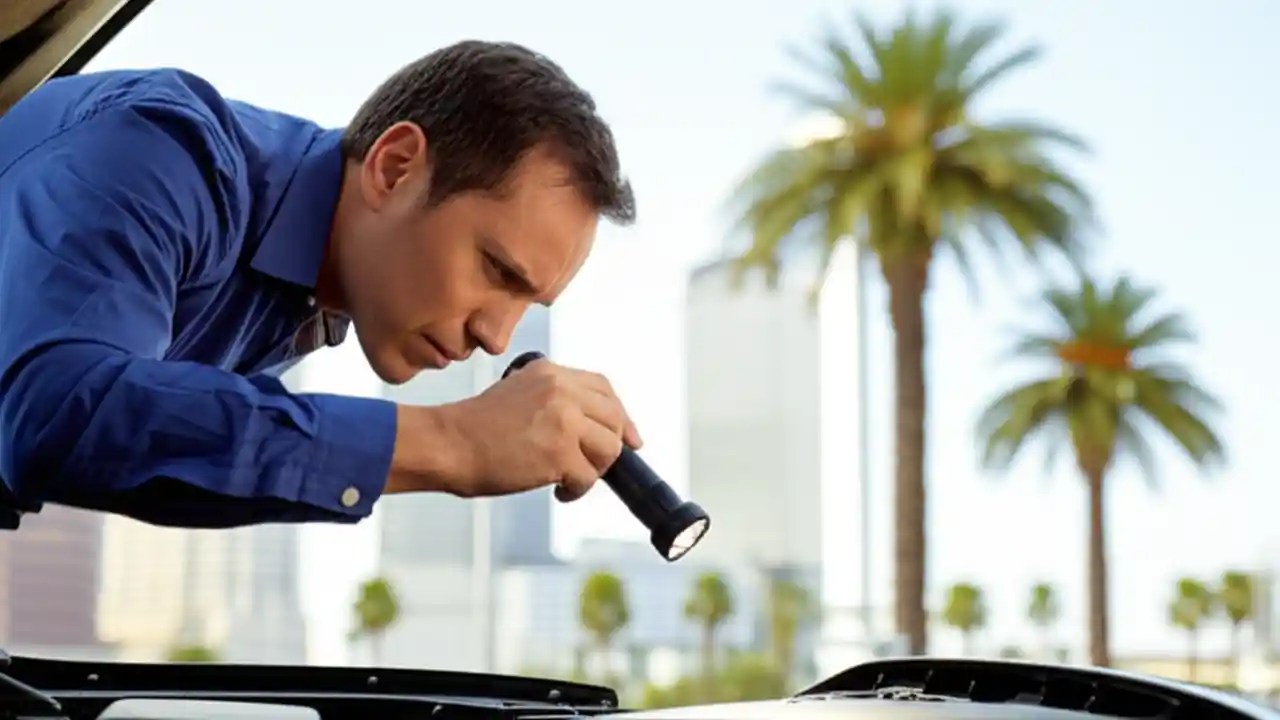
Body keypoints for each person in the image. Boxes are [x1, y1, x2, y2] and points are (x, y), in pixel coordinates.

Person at [0, 40, 644, 530]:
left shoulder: (311, 295)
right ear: (395, 169)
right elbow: (53, 412)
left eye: (529, 304)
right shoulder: (164, 153)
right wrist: (454, 443)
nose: (497, 337)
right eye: (497, 270)